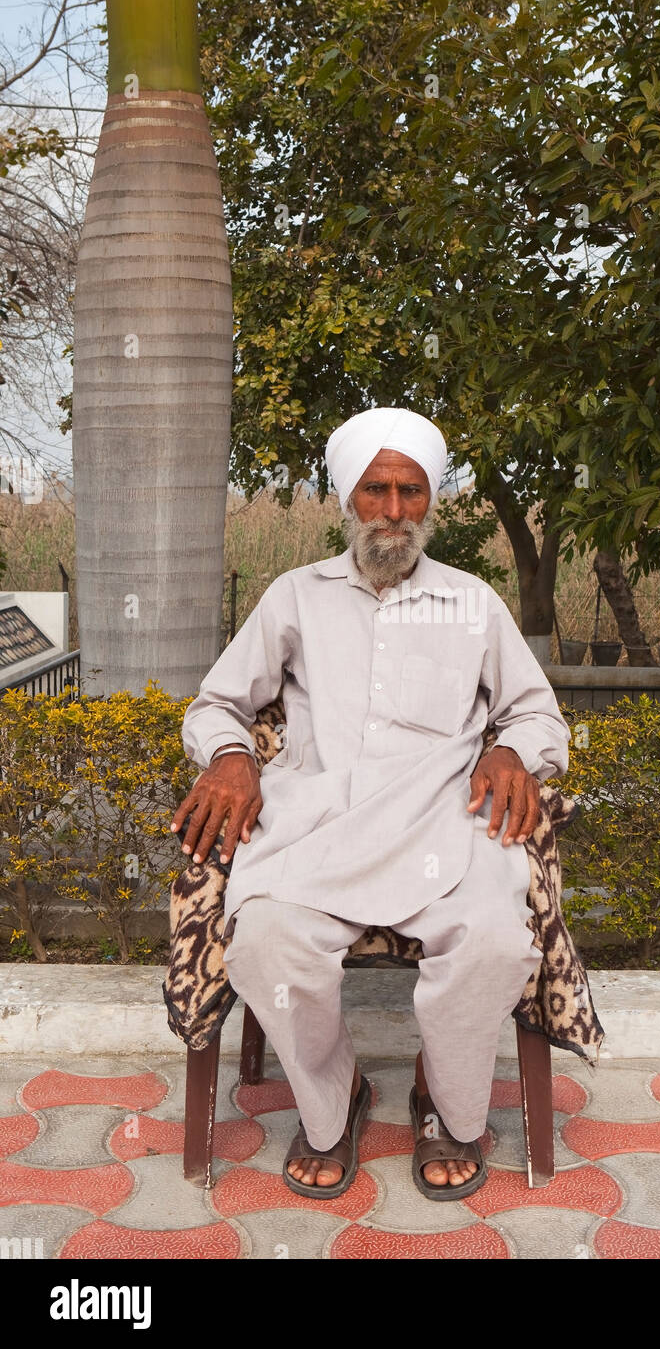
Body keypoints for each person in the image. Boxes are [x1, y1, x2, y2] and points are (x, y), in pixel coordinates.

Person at [172, 407, 571, 1200]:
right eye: (376, 490)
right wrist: (229, 756)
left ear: (432, 499)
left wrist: (507, 749)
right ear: (348, 497)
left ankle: (449, 1107)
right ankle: (334, 1103)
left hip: (447, 831)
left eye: (412, 492)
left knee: (494, 936)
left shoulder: (472, 601)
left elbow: (538, 714)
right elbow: (216, 702)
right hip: (315, 831)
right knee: (267, 941)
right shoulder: (296, 597)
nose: (393, 512)